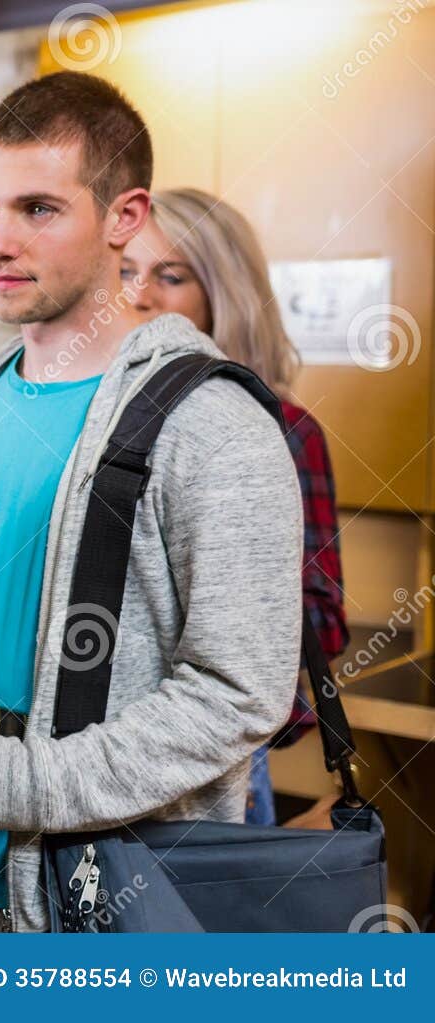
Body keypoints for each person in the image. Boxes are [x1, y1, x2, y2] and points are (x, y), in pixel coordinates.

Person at [0, 71, 302, 932]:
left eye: (38, 210)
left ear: (124, 217)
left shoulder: (212, 420)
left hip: (111, 906)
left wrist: (16, 783)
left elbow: (240, 692)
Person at [123, 187, 349, 825]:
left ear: (221, 295)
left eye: (171, 276)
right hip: (83, 749)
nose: (138, 296)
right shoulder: (89, 417)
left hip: (212, 761)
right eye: (123, 272)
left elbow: (322, 620)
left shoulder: (279, 429)